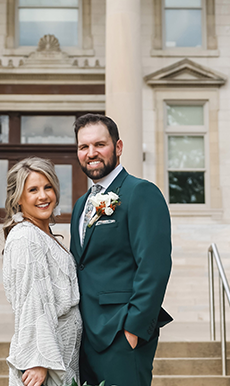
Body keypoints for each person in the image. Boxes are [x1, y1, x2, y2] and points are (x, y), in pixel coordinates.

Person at [70, 114, 172, 386]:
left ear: (118, 147)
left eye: (99, 144)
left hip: (120, 334)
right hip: (85, 337)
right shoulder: (81, 205)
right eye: (83, 147)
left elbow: (154, 266)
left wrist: (133, 329)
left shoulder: (141, 192)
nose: (91, 153)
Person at [2, 157, 81, 386]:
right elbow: (31, 298)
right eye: (33, 190)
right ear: (18, 198)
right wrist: (38, 360)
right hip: (45, 360)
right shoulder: (25, 237)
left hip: (61, 352)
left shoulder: (43, 234)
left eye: (48, 187)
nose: (43, 196)